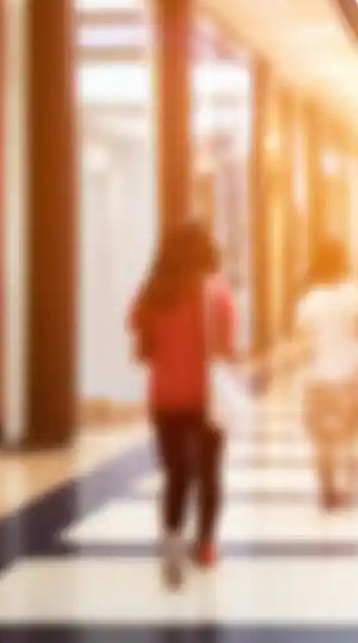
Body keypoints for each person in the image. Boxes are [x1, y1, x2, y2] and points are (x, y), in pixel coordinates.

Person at [129, 221, 235, 590]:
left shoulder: (150, 295)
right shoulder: (216, 294)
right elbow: (226, 349)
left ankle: (172, 544)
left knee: (175, 474)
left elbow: (143, 353)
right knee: (209, 472)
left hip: (165, 398)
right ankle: (205, 545)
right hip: (206, 399)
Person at [295, 240, 358, 510]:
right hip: (351, 377)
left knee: (323, 439)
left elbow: (304, 345)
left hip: (318, 379)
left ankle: (327, 491)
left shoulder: (310, 301)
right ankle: (351, 491)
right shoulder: (356, 296)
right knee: (352, 436)